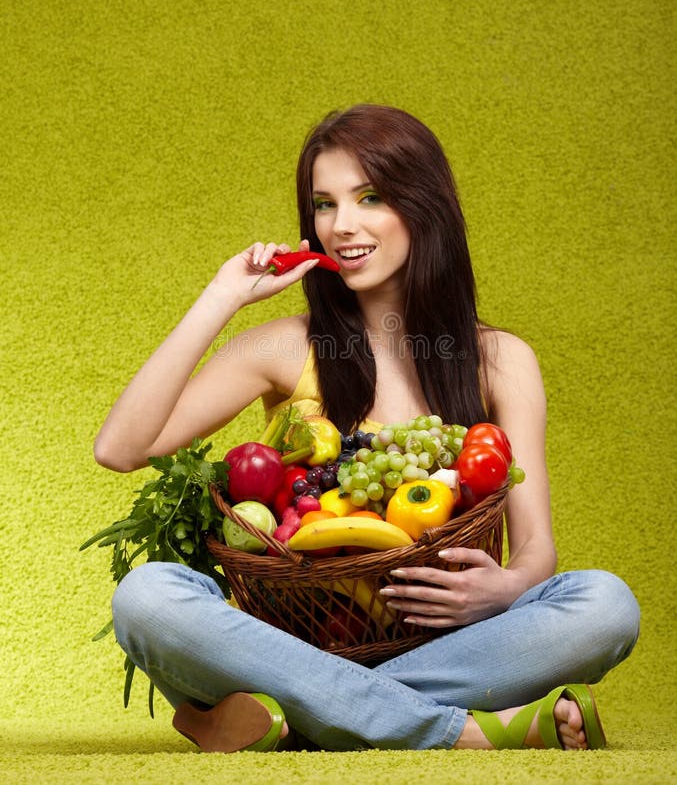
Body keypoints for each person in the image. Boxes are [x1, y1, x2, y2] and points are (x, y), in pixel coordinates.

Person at [95, 104, 639, 752]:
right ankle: (455, 730)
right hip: (292, 638)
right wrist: (222, 295)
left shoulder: (500, 360)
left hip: (447, 645)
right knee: (148, 598)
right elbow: (120, 448)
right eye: (323, 204)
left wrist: (504, 587)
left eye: (369, 197)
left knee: (603, 605)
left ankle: (293, 715)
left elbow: (534, 549)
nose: (340, 226)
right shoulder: (279, 348)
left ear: (423, 205)